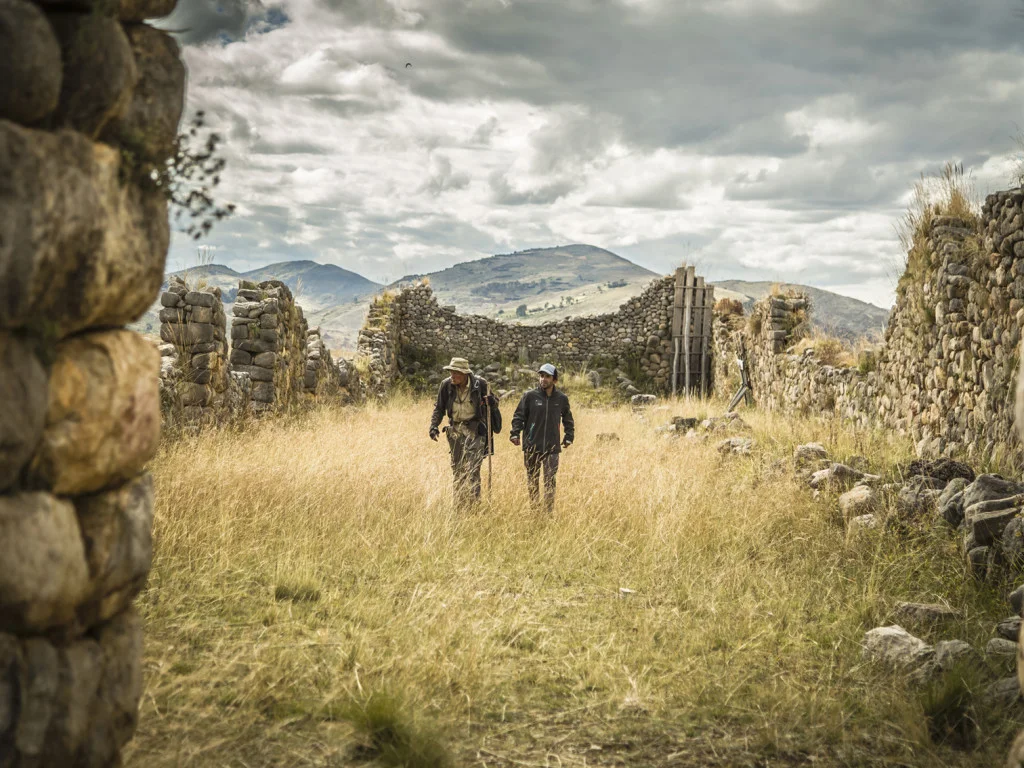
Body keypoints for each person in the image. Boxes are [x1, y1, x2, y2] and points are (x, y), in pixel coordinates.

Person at [429, 357, 501, 508]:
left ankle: (474, 506)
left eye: (456, 373)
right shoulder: (446, 385)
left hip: (475, 432)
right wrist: (434, 426)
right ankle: (459, 506)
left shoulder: (480, 384)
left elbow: (495, 402)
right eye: (451, 372)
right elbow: (439, 408)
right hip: (455, 432)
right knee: (457, 470)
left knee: (473, 471)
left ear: (464, 374)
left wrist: (491, 402)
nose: (452, 376)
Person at [509, 363, 574, 513]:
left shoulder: (561, 399)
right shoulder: (530, 396)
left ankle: (548, 513)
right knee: (532, 480)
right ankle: (534, 511)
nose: (543, 379)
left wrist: (569, 436)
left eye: (547, 376)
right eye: (541, 376)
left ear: (554, 380)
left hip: (552, 448)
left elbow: (568, 419)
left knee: (550, 482)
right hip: (532, 446)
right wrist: (514, 433)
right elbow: (519, 416)